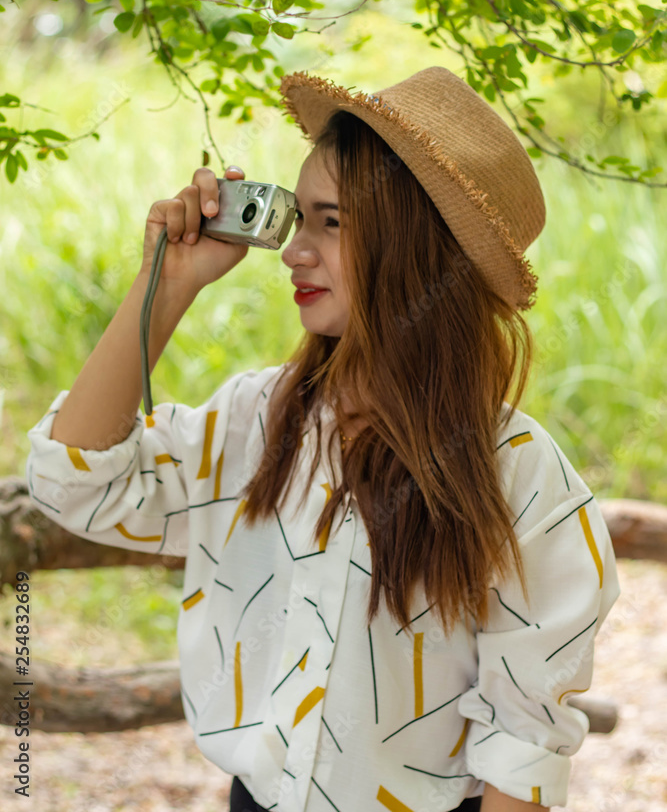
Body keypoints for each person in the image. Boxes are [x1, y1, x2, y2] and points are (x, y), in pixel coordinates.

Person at [25, 66, 620, 812]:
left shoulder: (520, 477)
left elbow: (521, 746)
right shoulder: (258, 418)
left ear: (417, 249)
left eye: (330, 223)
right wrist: (164, 284)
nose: (293, 251)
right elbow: (75, 483)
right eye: (298, 217)